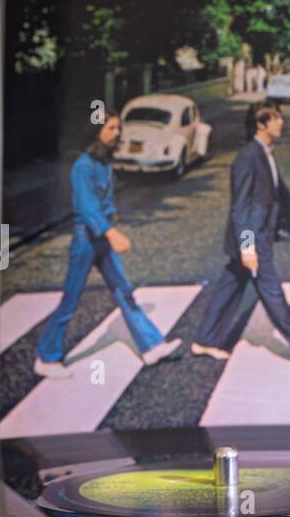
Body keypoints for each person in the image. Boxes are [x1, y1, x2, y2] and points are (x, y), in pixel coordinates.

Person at [33, 111, 180, 379]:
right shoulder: (83, 166)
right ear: (97, 131)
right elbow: (88, 208)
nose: (117, 133)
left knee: (124, 291)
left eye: (117, 128)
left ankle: (151, 346)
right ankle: (46, 357)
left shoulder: (103, 163)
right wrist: (112, 233)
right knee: (71, 299)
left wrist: (111, 228)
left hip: (102, 236)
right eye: (111, 128)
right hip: (86, 239)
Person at [191, 102, 290, 365]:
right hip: (253, 237)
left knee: (230, 286)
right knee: (271, 290)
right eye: (275, 119)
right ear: (260, 124)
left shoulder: (264, 153)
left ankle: (204, 340)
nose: (281, 122)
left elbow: (277, 192)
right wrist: (247, 246)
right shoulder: (247, 158)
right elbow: (241, 207)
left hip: (260, 232)